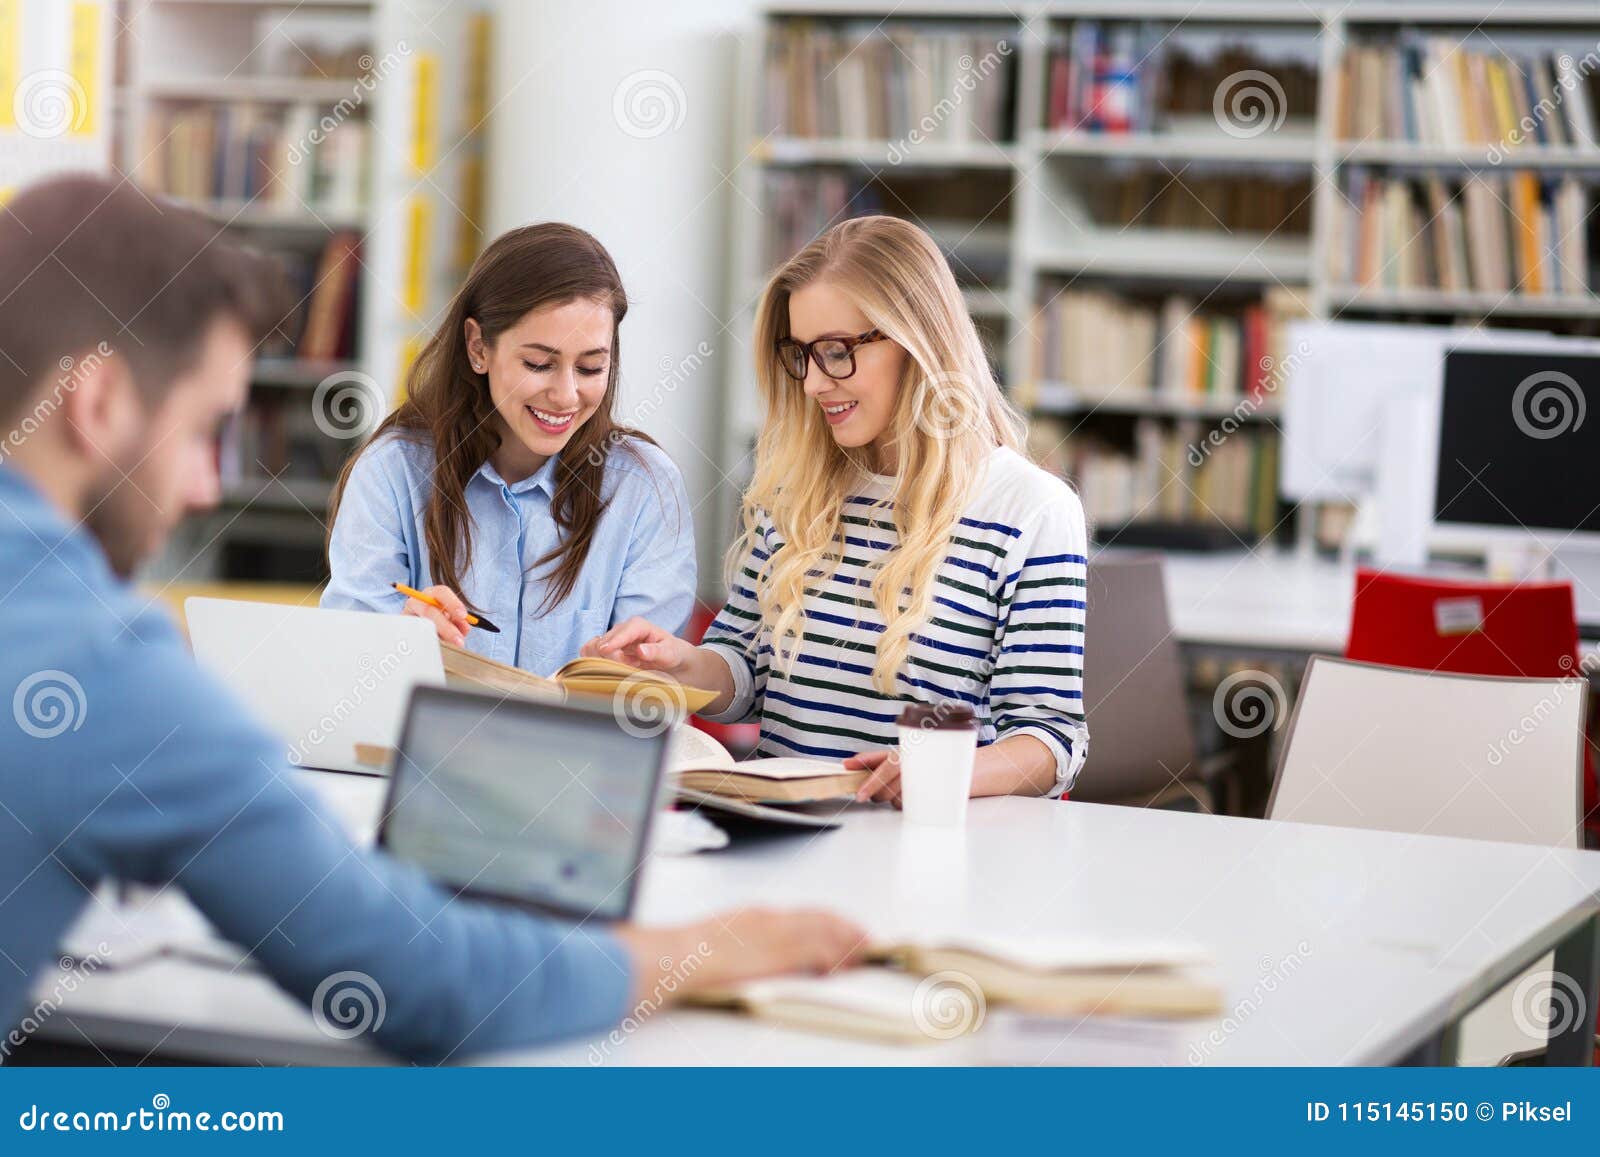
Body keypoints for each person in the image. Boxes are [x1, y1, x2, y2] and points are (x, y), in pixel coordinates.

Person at [0, 175, 863, 1062]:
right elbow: (424, 980)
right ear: (97, 404)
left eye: (590, 366)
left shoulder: (640, 485)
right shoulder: (103, 666)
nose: (206, 486)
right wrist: (709, 949)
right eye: (202, 430)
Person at [585, 215, 1089, 805]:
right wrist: (680, 666)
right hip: (782, 835)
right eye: (802, 355)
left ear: (917, 342)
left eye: (837, 352)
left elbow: (1051, 739)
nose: (814, 384)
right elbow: (745, 673)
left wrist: (939, 774)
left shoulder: (1032, 510)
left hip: (931, 850)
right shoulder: (794, 492)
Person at [321, 222, 695, 675]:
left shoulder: (644, 486)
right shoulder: (392, 471)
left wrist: (623, 677)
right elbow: (344, 673)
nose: (566, 395)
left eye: (592, 367)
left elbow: (653, 690)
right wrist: (397, 645)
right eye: (539, 364)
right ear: (478, 347)